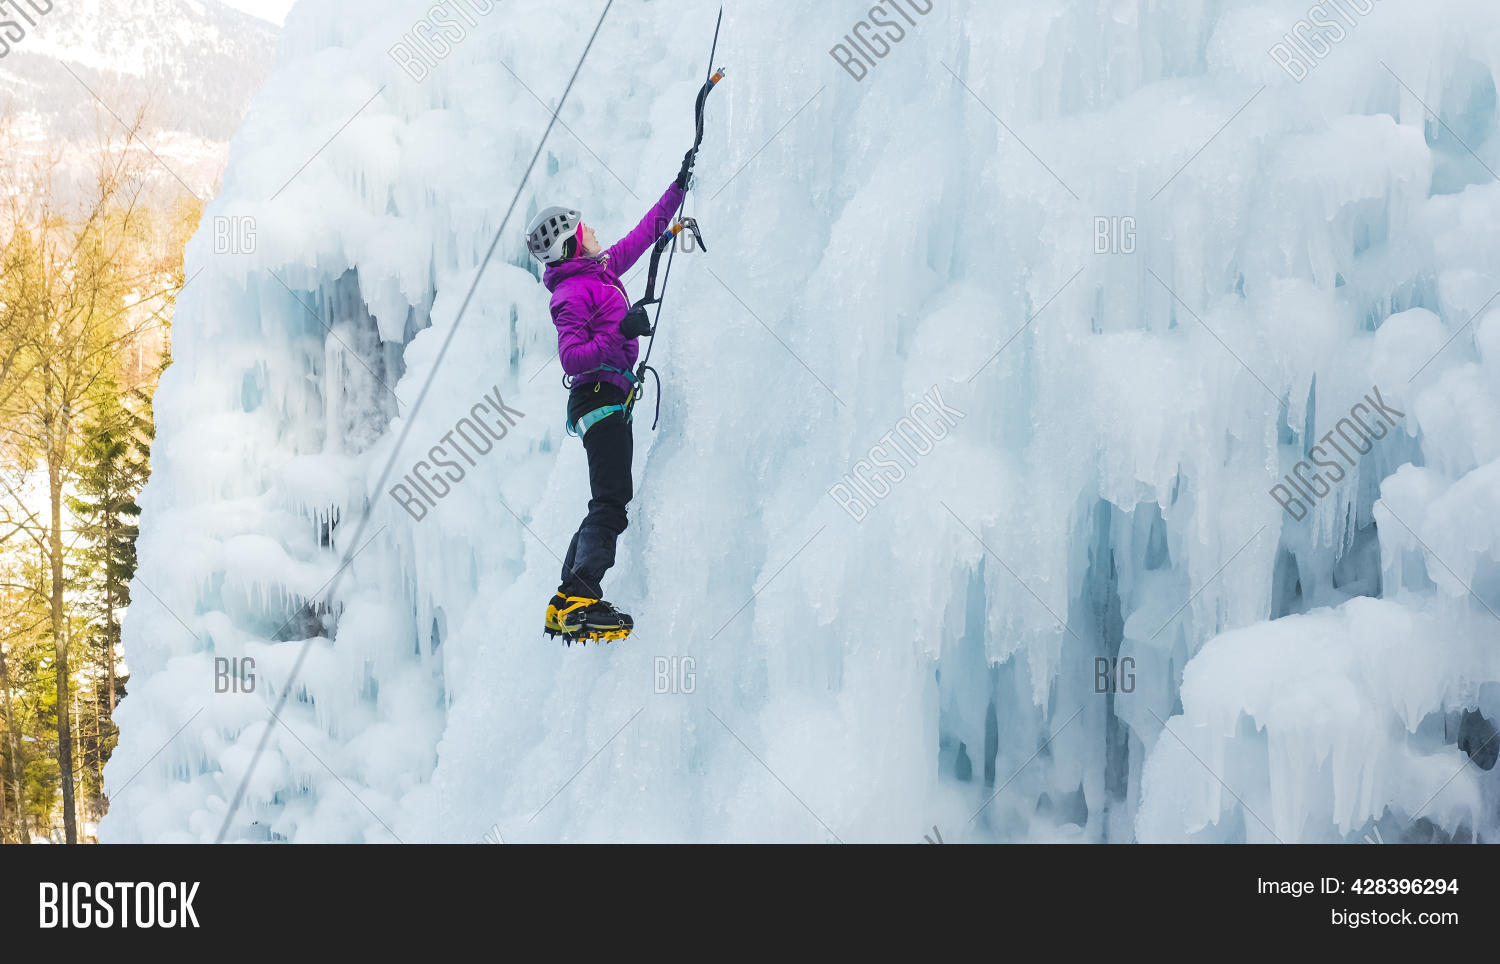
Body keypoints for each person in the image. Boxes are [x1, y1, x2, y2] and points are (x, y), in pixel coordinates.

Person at [525, 150, 696, 643]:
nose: (595, 233)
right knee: (613, 500)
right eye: (586, 229)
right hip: (598, 399)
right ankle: (581, 596)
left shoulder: (600, 272)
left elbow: (644, 236)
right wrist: (619, 328)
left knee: (606, 498)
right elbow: (572, 357)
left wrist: (679, 185)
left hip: (606, 401)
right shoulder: (571, 294)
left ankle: (566, 598)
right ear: (572, 242)